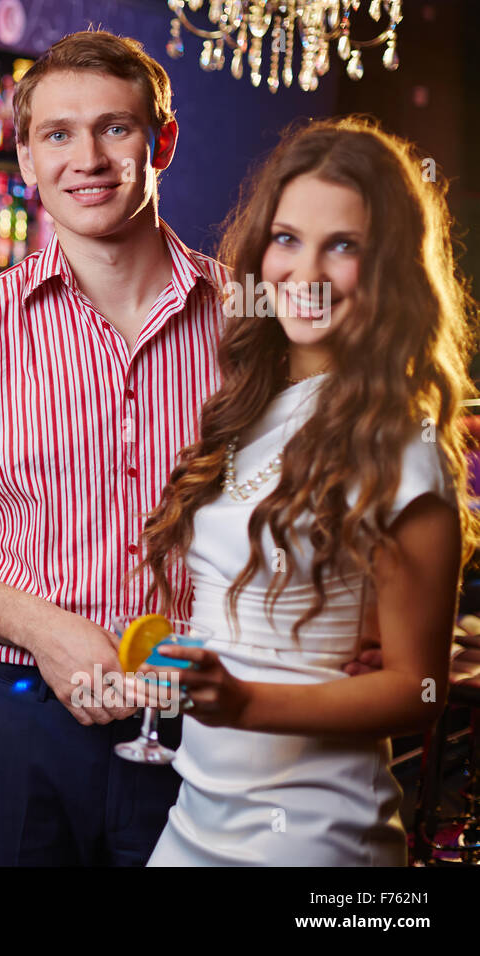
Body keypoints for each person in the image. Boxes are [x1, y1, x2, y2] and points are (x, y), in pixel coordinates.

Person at [0, 30, 233, 866]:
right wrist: (45, 629)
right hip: (14, 719)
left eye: (117, 127)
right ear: (26, 160)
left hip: (205, 719)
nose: (88, 158)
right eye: (58, 135)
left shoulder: (248, 324)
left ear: (163, 140)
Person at [136, 115, 476, 866]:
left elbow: (421, 691)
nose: (306, 271)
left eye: (343, 245)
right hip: (196, 813)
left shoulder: (401, 444)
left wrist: (246, 700)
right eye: (287, 239)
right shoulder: (252, 405)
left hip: (316, 836)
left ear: (389, 267)